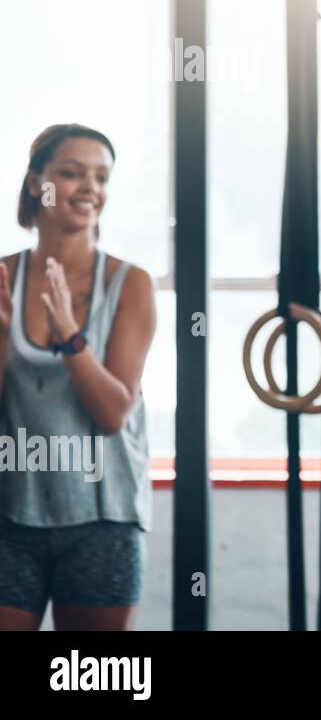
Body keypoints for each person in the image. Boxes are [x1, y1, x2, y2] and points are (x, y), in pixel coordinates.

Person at [0, 123, 157, 631]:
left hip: (102, 520)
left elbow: (113, 413)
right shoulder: (2, 277)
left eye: (101, 177)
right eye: (71, 173)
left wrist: (70, 335)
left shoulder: (129, 284)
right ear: (35, 183)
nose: (90, 188)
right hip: (10, 515)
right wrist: (3, 340)